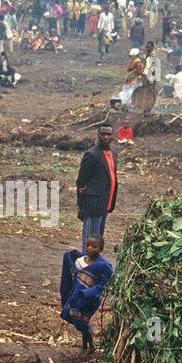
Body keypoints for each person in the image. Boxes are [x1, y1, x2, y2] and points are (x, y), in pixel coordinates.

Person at [59, 235, 113, 351]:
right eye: (88, 245)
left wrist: (87, 292)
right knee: (80, 320)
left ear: (101, 249)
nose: (90, 248)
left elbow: (101, 285)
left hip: (89, 299)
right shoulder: (80, 261)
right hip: (76, 297)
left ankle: (88, 346)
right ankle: (88, 346)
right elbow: (73, 275)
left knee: (83, 321)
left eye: (94, 246)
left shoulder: (103, 266)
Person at [75, 124, 118, 252]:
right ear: (98, 135)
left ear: (112, 136)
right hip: (92, 204)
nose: (105, 137)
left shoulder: (112, 154)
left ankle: (93, 268)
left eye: (108, 134)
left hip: (105, 204)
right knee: (89, 241)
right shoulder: (92, 155)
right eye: (103, 134)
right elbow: (81, 181)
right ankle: (84, 267)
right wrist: (81, 206)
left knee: (98, 240)